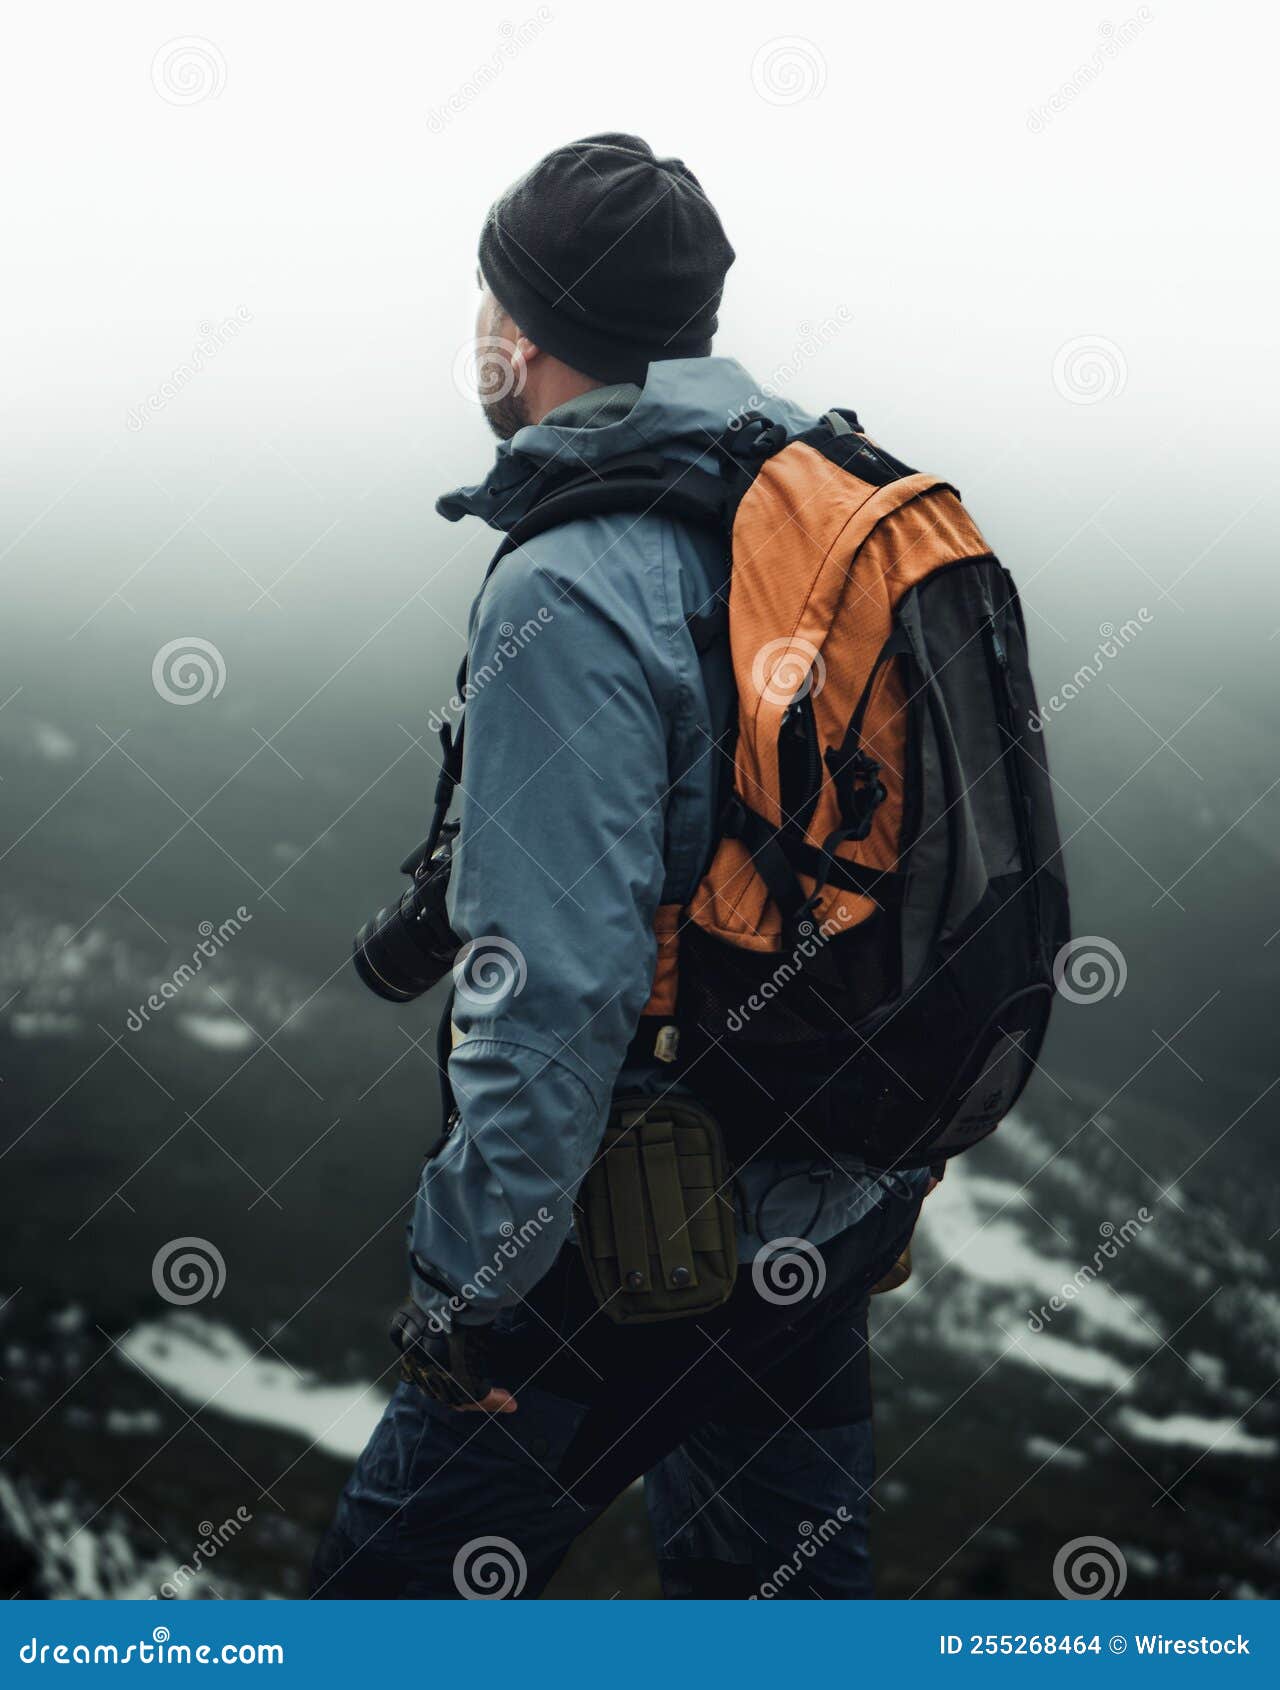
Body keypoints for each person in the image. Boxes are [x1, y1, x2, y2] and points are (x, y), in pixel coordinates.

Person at [312, 133, 931, 1601]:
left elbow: (556, 993)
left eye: (486, 298)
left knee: (377, 1616)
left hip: (618, 1241)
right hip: (827, 1212)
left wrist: (470, 1289)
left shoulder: (571, 582)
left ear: (518, 336)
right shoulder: (828, 510)